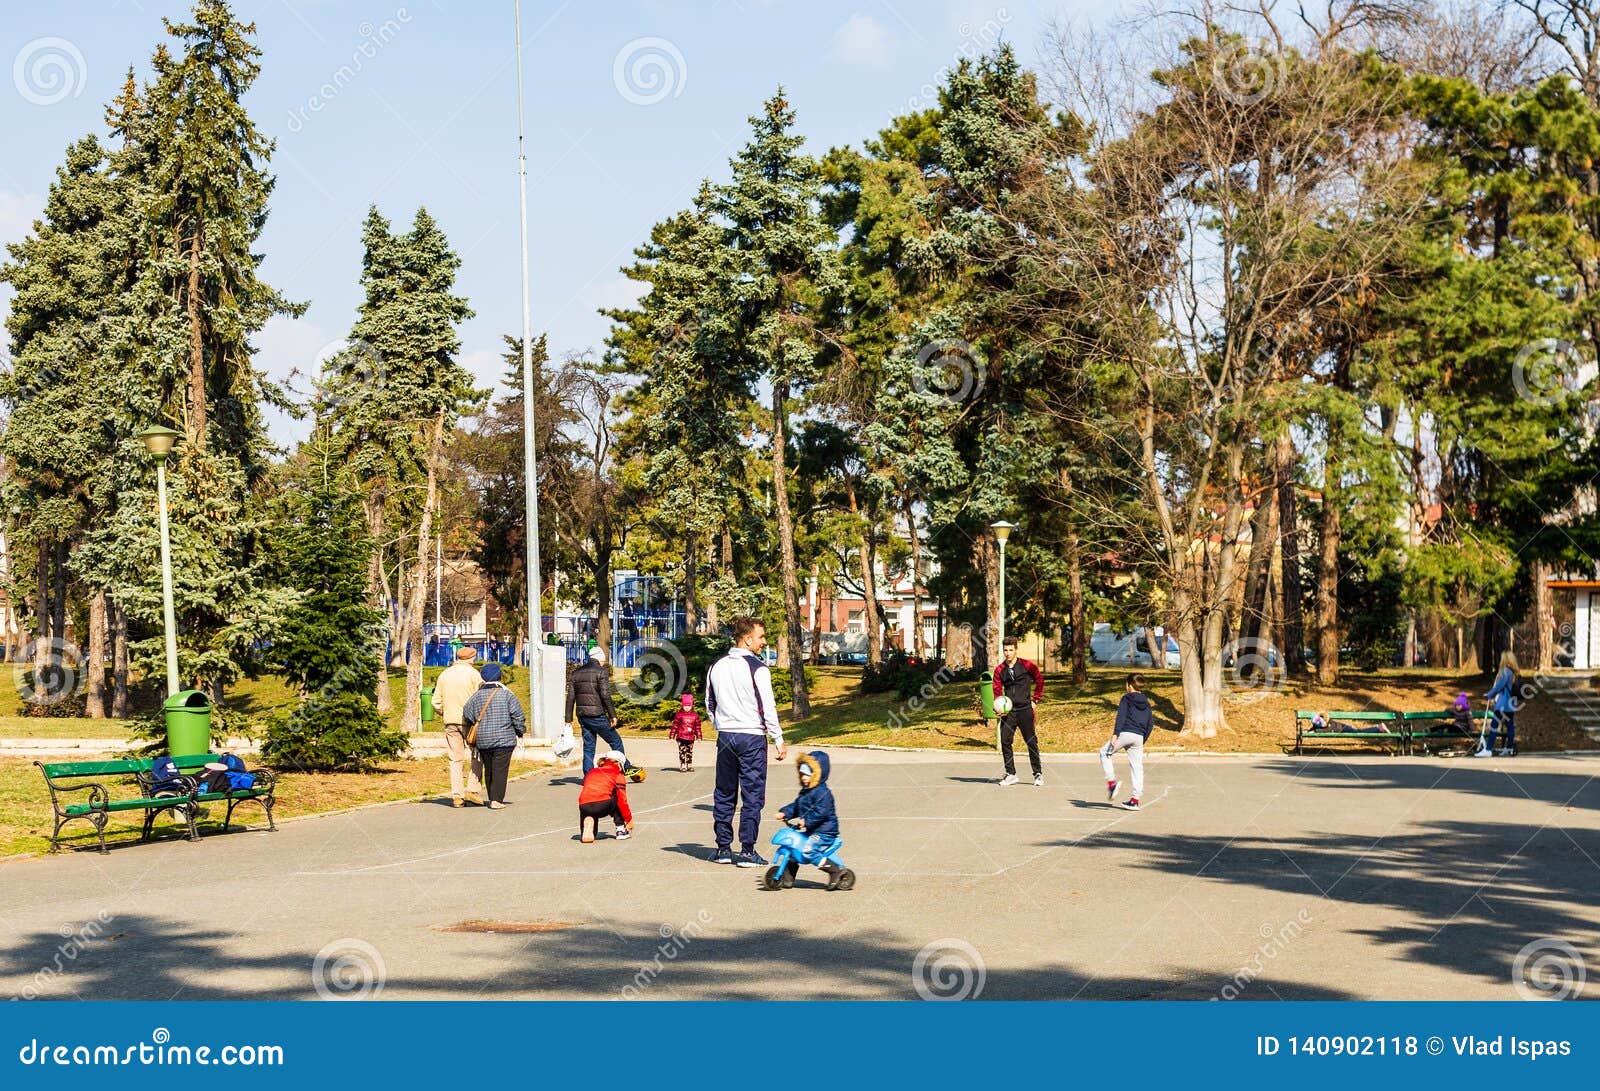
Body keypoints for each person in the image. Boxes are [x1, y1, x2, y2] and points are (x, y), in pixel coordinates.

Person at [706, 616, 785, 867]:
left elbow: (709, 702)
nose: (764, 642)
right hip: (751, 736)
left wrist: (721, 724)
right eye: (761, 637)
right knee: (752, 794)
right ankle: (747, 851)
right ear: (747, 638)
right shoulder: (758, 668)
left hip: (726, 736)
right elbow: (767, 706)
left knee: (725, 791)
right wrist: (778, 738)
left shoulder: (716, 666)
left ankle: (723, 849)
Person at [774, 750, 852, 890]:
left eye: (808, 774)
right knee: (793, 847)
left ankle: (835, 871)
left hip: (825, 832)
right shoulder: (806, 791)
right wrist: (785, 812)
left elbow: (821, 812)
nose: (804, 778)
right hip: (813, 830)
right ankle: (787, 877)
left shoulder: (823, 793)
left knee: (808, 850)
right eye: (802, 774)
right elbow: (797, 806)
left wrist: (806, 821)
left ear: (817, 774)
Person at [462, 663, 527, 809]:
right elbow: (518, 715)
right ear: (499, 676)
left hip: (483, 740)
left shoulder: (476, 696)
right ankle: (496, 800)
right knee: (500, 770)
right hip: (504, 739)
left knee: (489, 769)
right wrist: (520, 731)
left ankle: (492, 797)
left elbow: (467, 713)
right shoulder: (506, 694)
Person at [434, 645, 485, 808]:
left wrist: (444, 712)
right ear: (471, 659)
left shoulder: (445, 674)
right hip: (470, 722)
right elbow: (481, 699)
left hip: (450, 721)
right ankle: (472, 788)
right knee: (477, 755)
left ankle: (457, 796)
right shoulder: (474, 675)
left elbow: (435, 702)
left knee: (455, 759)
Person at [993, 636, 1045, 786]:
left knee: (1031, 741)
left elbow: (1040, 680)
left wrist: (1035, 699)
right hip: (1009, 712)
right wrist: (998, 707)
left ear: (1016, 650)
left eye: (1010, 650)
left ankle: (1038, 774)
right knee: (1005, 740)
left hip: (1025, 710)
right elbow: (996, 690)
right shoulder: (999, 670)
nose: (1008, 653)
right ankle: (1011, 774)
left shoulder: (1027, 665)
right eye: (1005, 650)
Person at [566, 646, 625, 774]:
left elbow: (570, 697)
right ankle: (624, 768)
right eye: (603, 659)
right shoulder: (601, 671)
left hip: (582, 716)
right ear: (599, 658)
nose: (603, 662)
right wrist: (613, 715)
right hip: (597, 715)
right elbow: (605, 695)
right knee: (615, 741)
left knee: (588, 747)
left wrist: (568, 719)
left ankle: (588, 775)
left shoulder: (576, 673)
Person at [1102, 673, 1152, 810]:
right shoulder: (1147, 702)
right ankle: (1135, 800)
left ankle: (1112, 785)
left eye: (1126, 684)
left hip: (1125, 733)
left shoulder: (1127, 698)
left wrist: (1115, 734)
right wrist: (1143, 739)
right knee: (1137, 767)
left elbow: (1121, 716)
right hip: (1139, 737)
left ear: (1129, 686)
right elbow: (1150, 723)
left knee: (1104, 753)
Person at [577, 750, 634, 842]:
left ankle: (588, 829)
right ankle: (621, 830)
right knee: (616, 796)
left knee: (590, 799)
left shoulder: (591, 772)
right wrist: (629, 819)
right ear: (619, 764)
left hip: (584, 806)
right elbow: (622, 800)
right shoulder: (617, 774)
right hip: (603, 805)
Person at [1481, 651, 1520, 757]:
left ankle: (1488, 749)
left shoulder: (1505, 671)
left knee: (1494, 726)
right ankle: (1509, 747)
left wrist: (1489, 694)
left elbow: (1498, 686)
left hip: (1503, 704)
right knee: (1510, 726)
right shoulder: (1515, 673)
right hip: (1511, 704)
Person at [670, 692, 703, 772]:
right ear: (682, 705)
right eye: (685, 706)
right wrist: (672, 736)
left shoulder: (695, 716)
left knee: (689, 752)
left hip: (691, 737)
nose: (687, 707)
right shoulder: (679, 715)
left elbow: (698, 727)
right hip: (681, 737)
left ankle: (689, 764)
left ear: (691, 706)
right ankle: (683, 765)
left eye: (688, 705)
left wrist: (699, 736)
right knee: (682, 751)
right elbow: (675, 726)